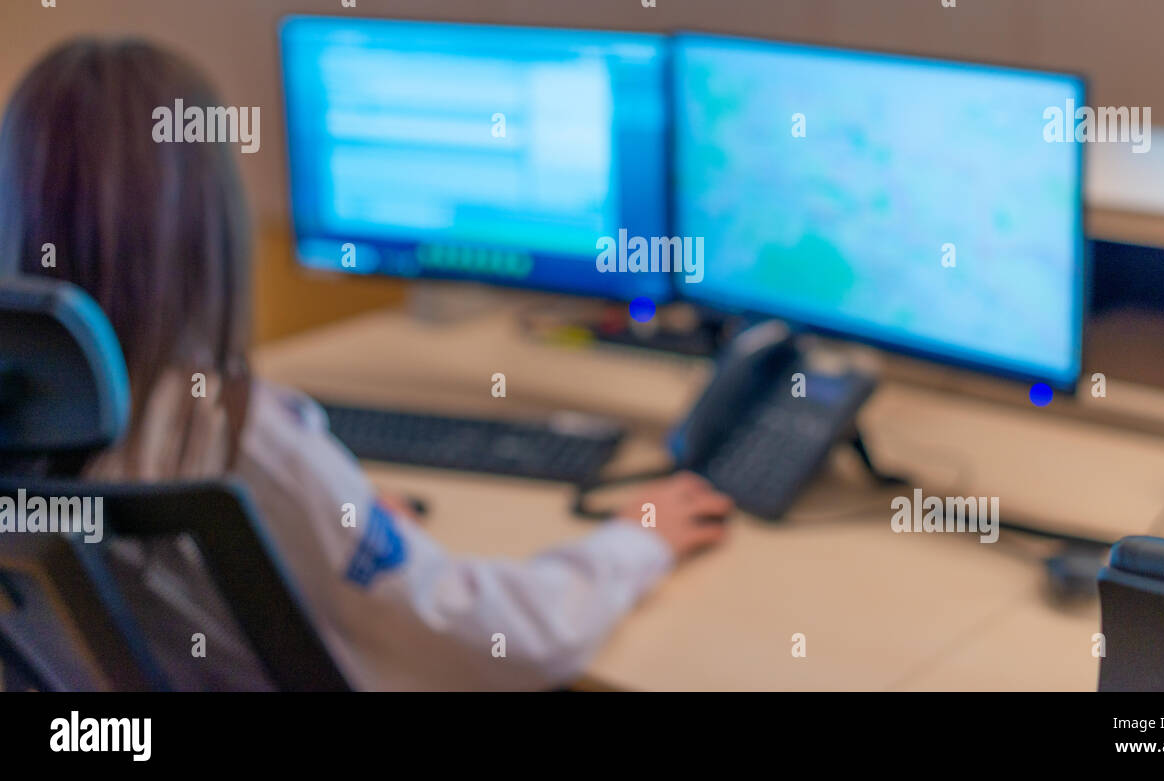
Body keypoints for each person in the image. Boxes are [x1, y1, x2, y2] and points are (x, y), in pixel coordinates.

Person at [0, 37, 731, 690]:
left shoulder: (30, 412)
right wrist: (634, 541)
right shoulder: (237, 436)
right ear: (206, 228)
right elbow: (487, 642)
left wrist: (334, 516)